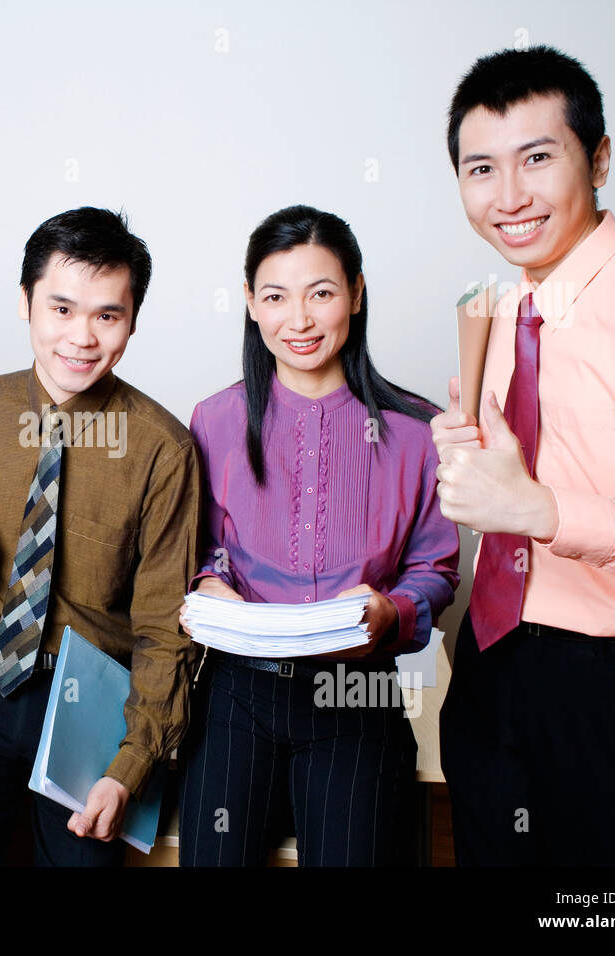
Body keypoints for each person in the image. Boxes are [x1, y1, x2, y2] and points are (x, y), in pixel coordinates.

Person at [433, 46, 615, 865]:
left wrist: (545, 511)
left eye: (537, 158)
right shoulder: (500, 309)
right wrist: (471, 460)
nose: (508, 196)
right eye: (480, 168)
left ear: (598, 159)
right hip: (493, 669)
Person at [0, 207, 201, 866]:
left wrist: (132, 762)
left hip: (91, 702)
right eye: (61, 309)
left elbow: (164, 627)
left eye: (107, 315)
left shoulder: (163, 448)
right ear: (25, 303)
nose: (81, 337)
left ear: (132, 320)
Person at [175, 205, 460, 867]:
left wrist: (395, 610)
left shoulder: (419, 430)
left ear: (356, 295)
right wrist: (210, 581)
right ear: (250, 303)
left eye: (321, 293)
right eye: (275, 296)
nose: (298, 320)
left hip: (356, 693)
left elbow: (435, 565)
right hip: (237, 691)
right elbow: (201, 546)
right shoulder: (214, 420)